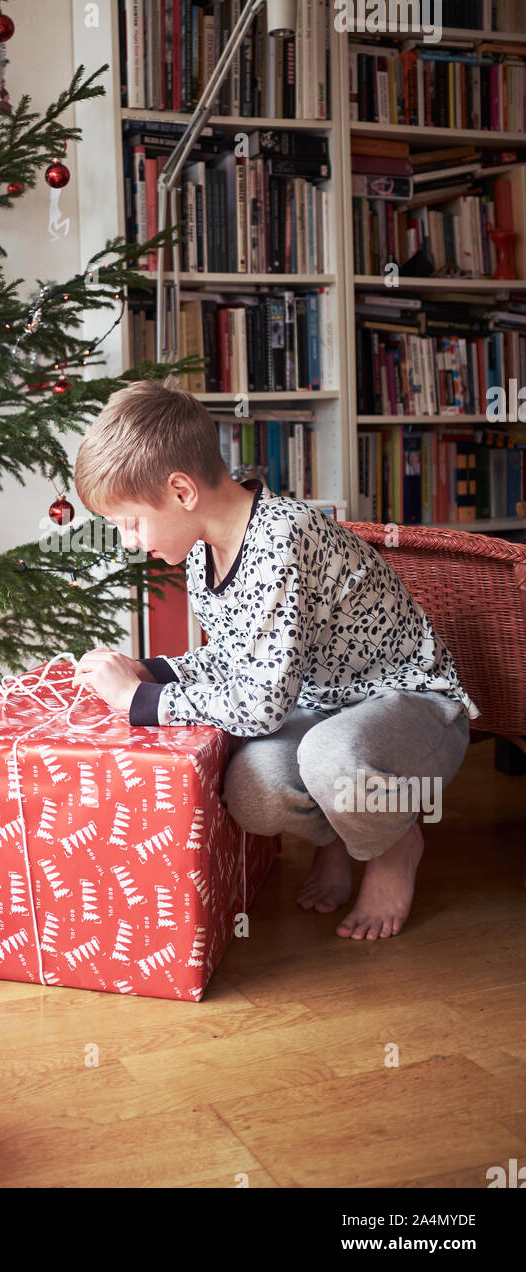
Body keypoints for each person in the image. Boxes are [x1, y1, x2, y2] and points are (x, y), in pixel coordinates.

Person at [70, 378, 479, 941]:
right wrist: (153, 672)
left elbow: (260, 706)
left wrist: (138, 699)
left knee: (330, 759)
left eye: (131, 521)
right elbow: (238, 661)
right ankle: (342, 835)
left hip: (412, 708)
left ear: (182, 491)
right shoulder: (203, 553)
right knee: (253, 787)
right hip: (322, 707)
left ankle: (394, 844)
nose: (130, 541)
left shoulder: (281, 536)